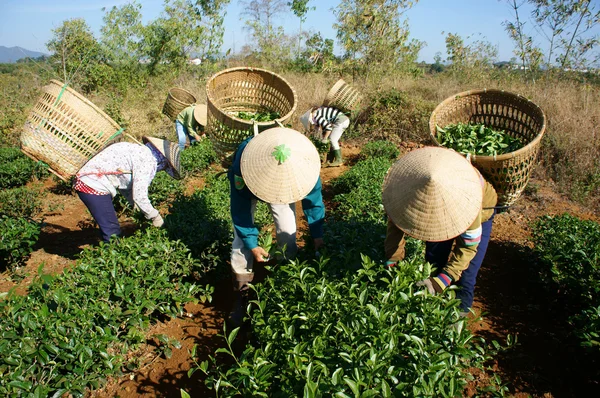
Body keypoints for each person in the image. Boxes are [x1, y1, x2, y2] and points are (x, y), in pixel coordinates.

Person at [382, 147, 497, 316]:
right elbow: (396, 225)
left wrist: (445, 279)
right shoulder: (404, 188)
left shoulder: (468, 199)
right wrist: (393, 262)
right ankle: (431, 310)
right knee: (434, 261)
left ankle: (456, 323)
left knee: (466, 277)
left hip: (481, 211)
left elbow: (468, 247)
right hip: (440, 204)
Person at [228, 127, 325, 325]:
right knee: (240, 242)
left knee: (287, 230)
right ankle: (242, 293)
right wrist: (252, 244)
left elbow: (313, 203)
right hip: (253, 177)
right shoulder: (244, 162)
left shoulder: (306, 164)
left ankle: (285, 276)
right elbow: (240, 211)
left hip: (284, 183)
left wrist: (318, 236)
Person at [74, 137, 181, 242]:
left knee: (108, 226)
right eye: (165, 167)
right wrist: (154, 216)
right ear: (163, 160)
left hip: (89, 181)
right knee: (112, 232)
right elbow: (139, 196)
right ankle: (111, 255)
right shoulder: (147, 161)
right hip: (93, 184)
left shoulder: (139, 151)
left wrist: (136, 206)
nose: (161, 169)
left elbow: (125, 185)